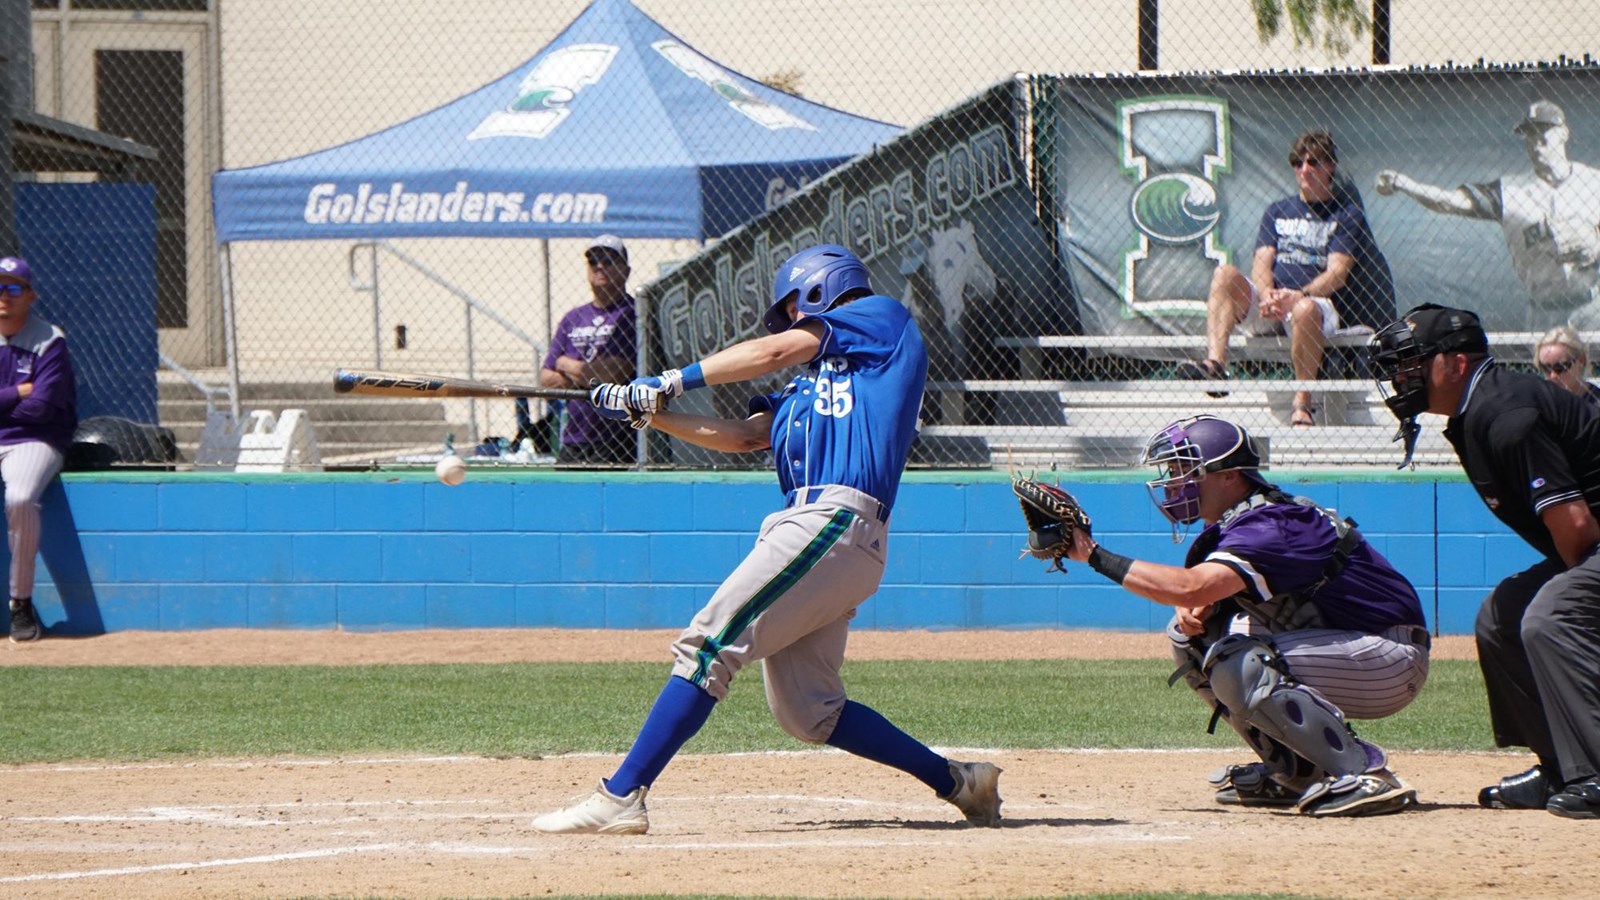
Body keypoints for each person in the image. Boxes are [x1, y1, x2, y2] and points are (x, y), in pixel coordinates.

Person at [530, 244, 1003, 834]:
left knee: (708, 645)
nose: (793, 325)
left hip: (833, 519)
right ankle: (962, 782)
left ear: (821, 290)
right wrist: (643, 409)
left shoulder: (883, 322)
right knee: (810, 712)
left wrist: (672, 380)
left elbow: (777, 348)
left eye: (795, 310)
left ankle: (621, 795)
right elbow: (742, 436)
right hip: (823, 537)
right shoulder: (806, 392)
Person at [1062, 413, 1429, 817]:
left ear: (1230, 476)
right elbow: (1196, 599)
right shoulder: (1236, 524)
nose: (1174, 481)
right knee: (1191, 641)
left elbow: (1190, 586)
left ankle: (1365, 773)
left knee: (1238, 661)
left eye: (1187, 470)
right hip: (1343, 647)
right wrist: (1197, 610)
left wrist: (1095, 556)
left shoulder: (1273, 525)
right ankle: (1298, 771)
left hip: (1388, 657)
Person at [1370, 303, 1600, 820]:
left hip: (1593, 543)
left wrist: (1580, 596)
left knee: (1552, 615)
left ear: (1455, 363)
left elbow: (1578, 529)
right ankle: (1561, 765)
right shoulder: (1479, 410)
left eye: (1412, 363)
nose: (1400, 377)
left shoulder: (1506, 414)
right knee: (1502, 616)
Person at [1181, 130, 1395, 427]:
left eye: (1314, 162)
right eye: (1298, 163)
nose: (1304, 169)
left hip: (1314, 306)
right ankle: (1215, 365)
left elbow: (1337, 274)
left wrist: (1298, 296)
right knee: (1224, 274)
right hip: (1274, 305)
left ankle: (1303, 403)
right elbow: (1262, 262)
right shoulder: (1277, 211)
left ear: (1331, 166)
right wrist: (1268, 294)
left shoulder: (1346, 214)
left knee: (1305, 310)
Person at [1375, 101, 1600, 330]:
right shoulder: (1509, 192)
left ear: (1563, 133)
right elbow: (1449, 202)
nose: (1535, 142)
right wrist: (1404, 184)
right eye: (1529, 135)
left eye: (1542, 131)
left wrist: (1596, 244)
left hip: (1591, 307)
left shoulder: (1594, 182)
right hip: (1543, 313)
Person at [0, 257, 78, 643]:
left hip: (34, 440)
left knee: (20, 499)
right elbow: (27, 399)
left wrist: (14, 405)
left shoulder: (50, 340)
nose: (4, 296)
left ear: (30, 295)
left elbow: (42, 407)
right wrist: (17, 392)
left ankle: (21, 604)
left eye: (14, 288)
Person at [538, 235, 638, 464]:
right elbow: (545, 380)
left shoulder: (632, 314)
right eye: (593, 260)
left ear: (626, 271)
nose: (600, 266)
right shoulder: (573, 318)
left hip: (619, 437)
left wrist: (565, 365)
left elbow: (614, 374)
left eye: (609, 260)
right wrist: (589, 374)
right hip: (574, 437)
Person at [1533, 323, 1600, 411]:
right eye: (1546, 368)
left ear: (1581, 360)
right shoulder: (1537, 404)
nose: (1553, 375)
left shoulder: (1595, 404)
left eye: (1560, 367)